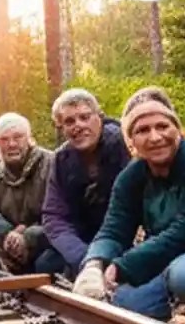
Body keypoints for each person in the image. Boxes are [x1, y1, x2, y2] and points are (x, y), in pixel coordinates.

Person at [71, 88, 185, 319]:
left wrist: (121, 267)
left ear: (177, 130)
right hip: (166, 257)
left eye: (162, 126)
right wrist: (94, 264)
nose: (155, 137)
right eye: (142, 130)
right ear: (132, 142)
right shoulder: (132, 177)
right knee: (123, 301)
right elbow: (114, 230)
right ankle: (177, 313)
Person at [41, 89, 131, 280]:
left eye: (84, 117)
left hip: (126, 236)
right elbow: (54, 216)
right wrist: (83, 257)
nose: (78, 126)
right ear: (61, 128)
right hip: (85, 241)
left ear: (99, 117)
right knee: (46, 263)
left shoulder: (125, 146)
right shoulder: (61, 160)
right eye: (69, 121)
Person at [0, 114, 60, 274]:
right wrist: (6, 235)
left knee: (45, 263)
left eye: (18, 137)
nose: (11, 144)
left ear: (29, 139)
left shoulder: (52, 163)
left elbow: (62, 214)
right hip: (7, 242)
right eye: (4, 140)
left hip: (47, 238)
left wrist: (25, 234)